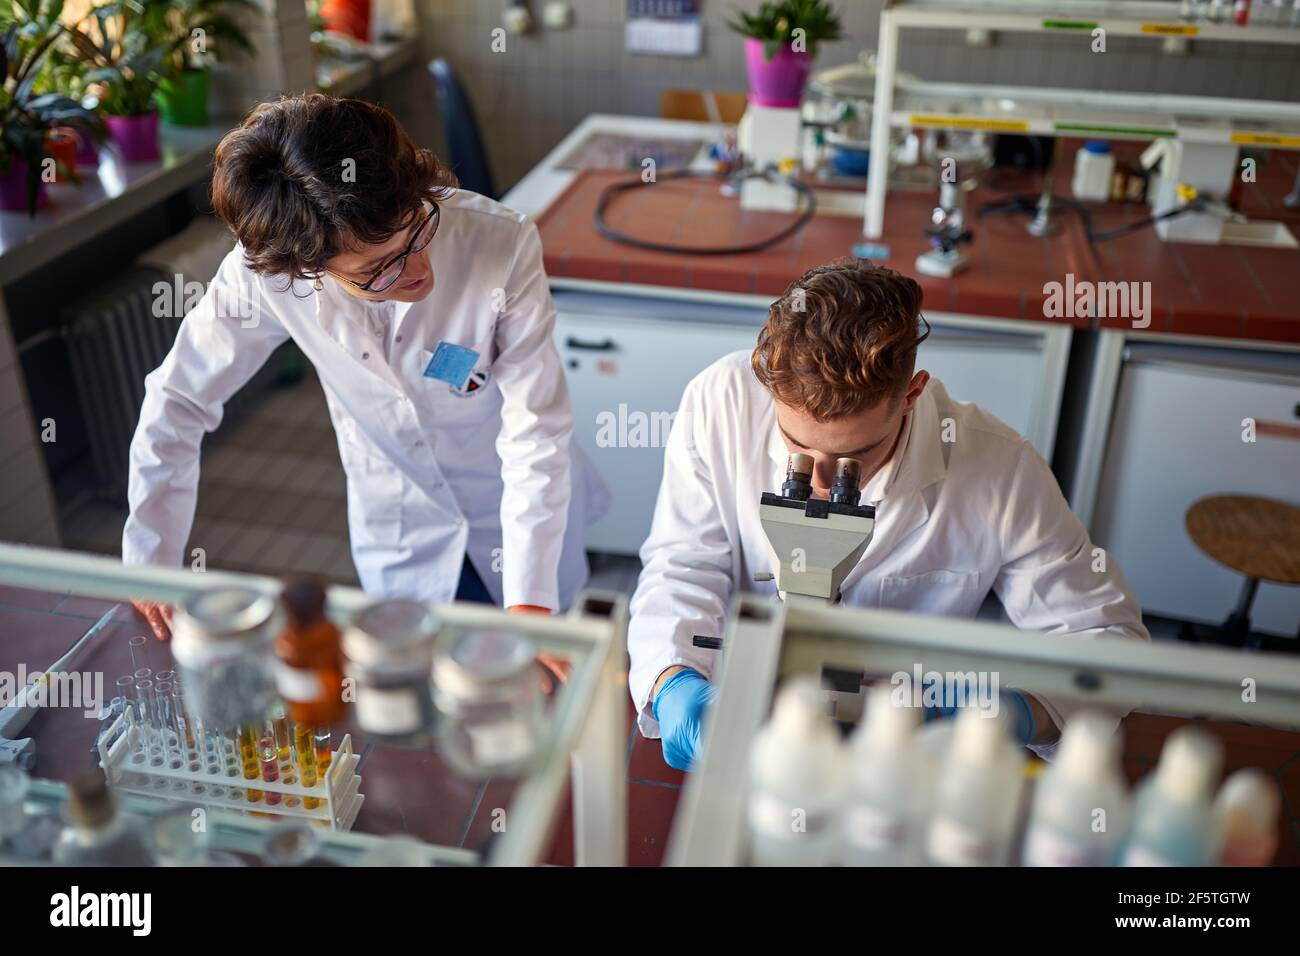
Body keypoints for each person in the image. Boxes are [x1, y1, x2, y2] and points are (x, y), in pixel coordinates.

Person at [628, 260, 1150, 771]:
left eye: (852, 459)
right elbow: (683, 564)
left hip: (906, 752)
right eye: (797, 448)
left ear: (911, 395)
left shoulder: (997, 466)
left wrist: (1015, 714)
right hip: (744, 725)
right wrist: (673, 681)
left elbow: (1107, 639)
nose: (822, 483)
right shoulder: (719, 405)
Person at [124, 94, 606, 640]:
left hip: (516, 513)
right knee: (414, 683)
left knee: (534, 683)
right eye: (379, 269)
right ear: (308, 270)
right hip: (401, 522)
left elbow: (536, 433)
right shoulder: (268, 276)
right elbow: (181, 398)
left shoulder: (501, 242)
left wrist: (531, 605)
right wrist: (151, 554)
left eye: (419, 230)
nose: (420, 269)